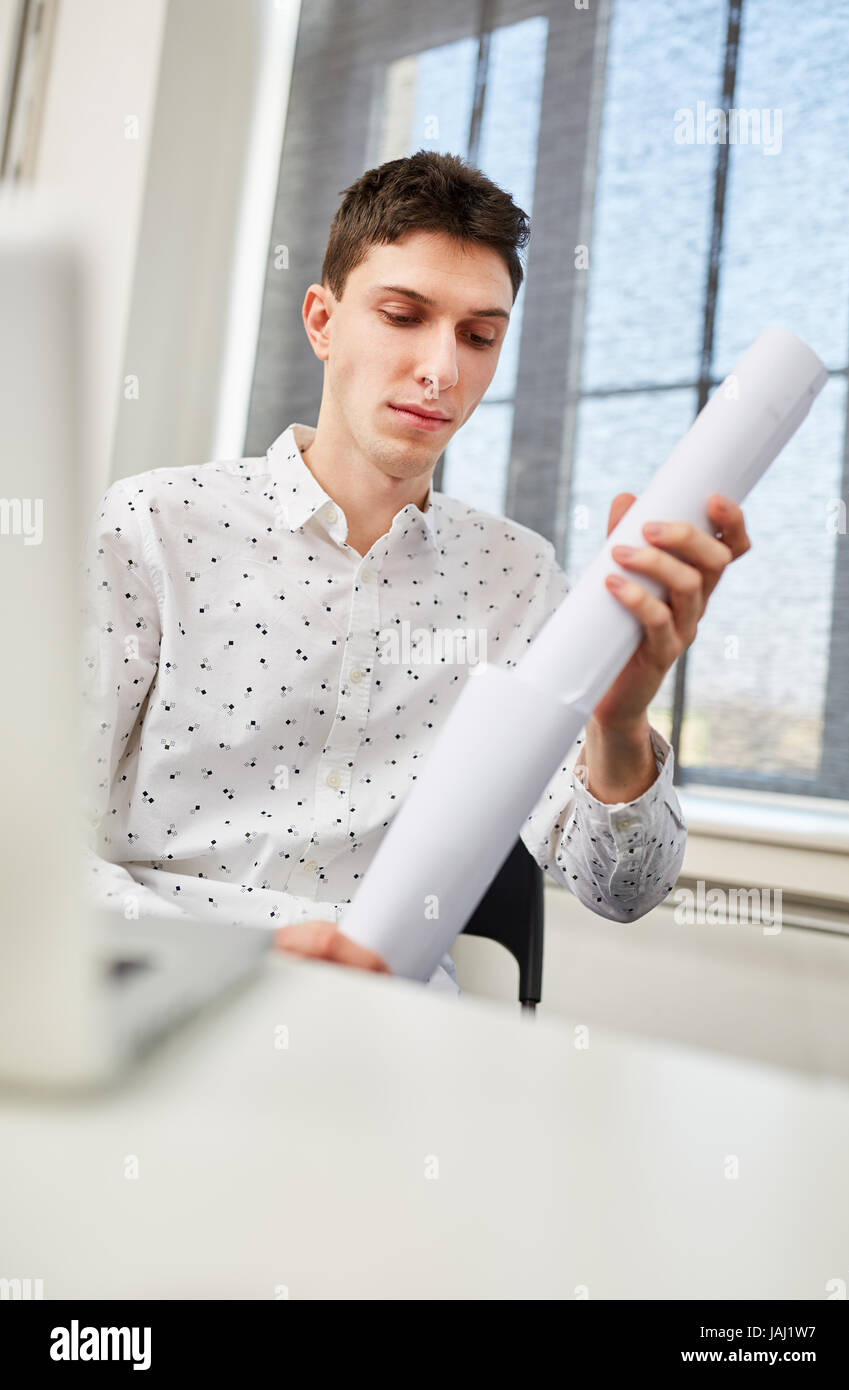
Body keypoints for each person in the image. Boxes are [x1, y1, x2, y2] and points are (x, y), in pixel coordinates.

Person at [80, 151, 750, 993]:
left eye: (479, 336)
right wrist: (229, 967)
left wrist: (619, 725)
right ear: (322, 322)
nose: (444, 370)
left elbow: (622, 890)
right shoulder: (151, 526)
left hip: (378, 1022)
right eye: (403, 316)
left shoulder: (517, 577)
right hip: (154, 981)